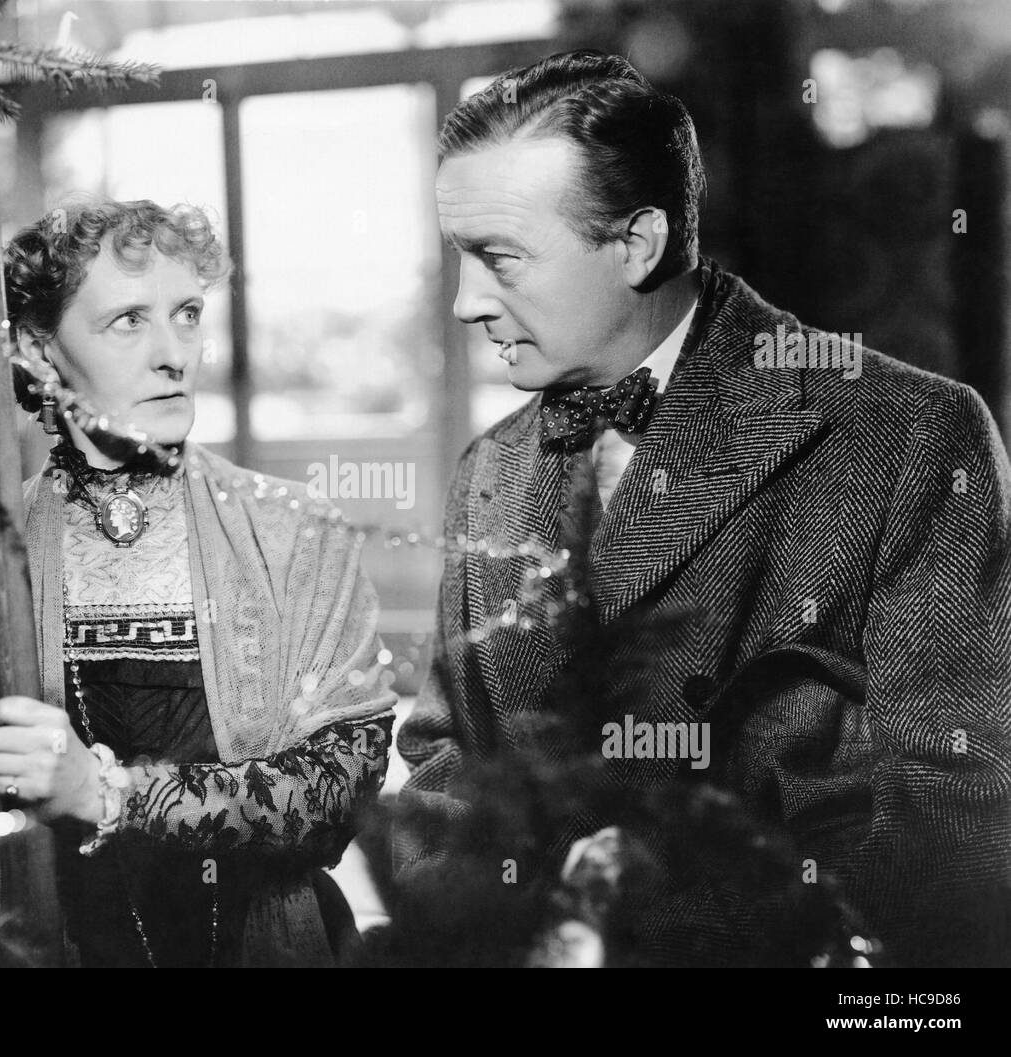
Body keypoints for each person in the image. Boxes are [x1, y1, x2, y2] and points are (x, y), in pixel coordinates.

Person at [396, 49, 1011, 966]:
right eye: (459, 255)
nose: (463, 303)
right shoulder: (491, 466)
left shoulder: (910, 435)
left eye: (499, 258)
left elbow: (959, 817)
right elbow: (444, 773)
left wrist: (658, 906)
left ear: (637, 244)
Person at [0, 197, 395, 967]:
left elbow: (338, 793)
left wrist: (106, 794)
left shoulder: (296, 533)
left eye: (187, 313)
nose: (174, 353)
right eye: (129, 320)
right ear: (37, 349)